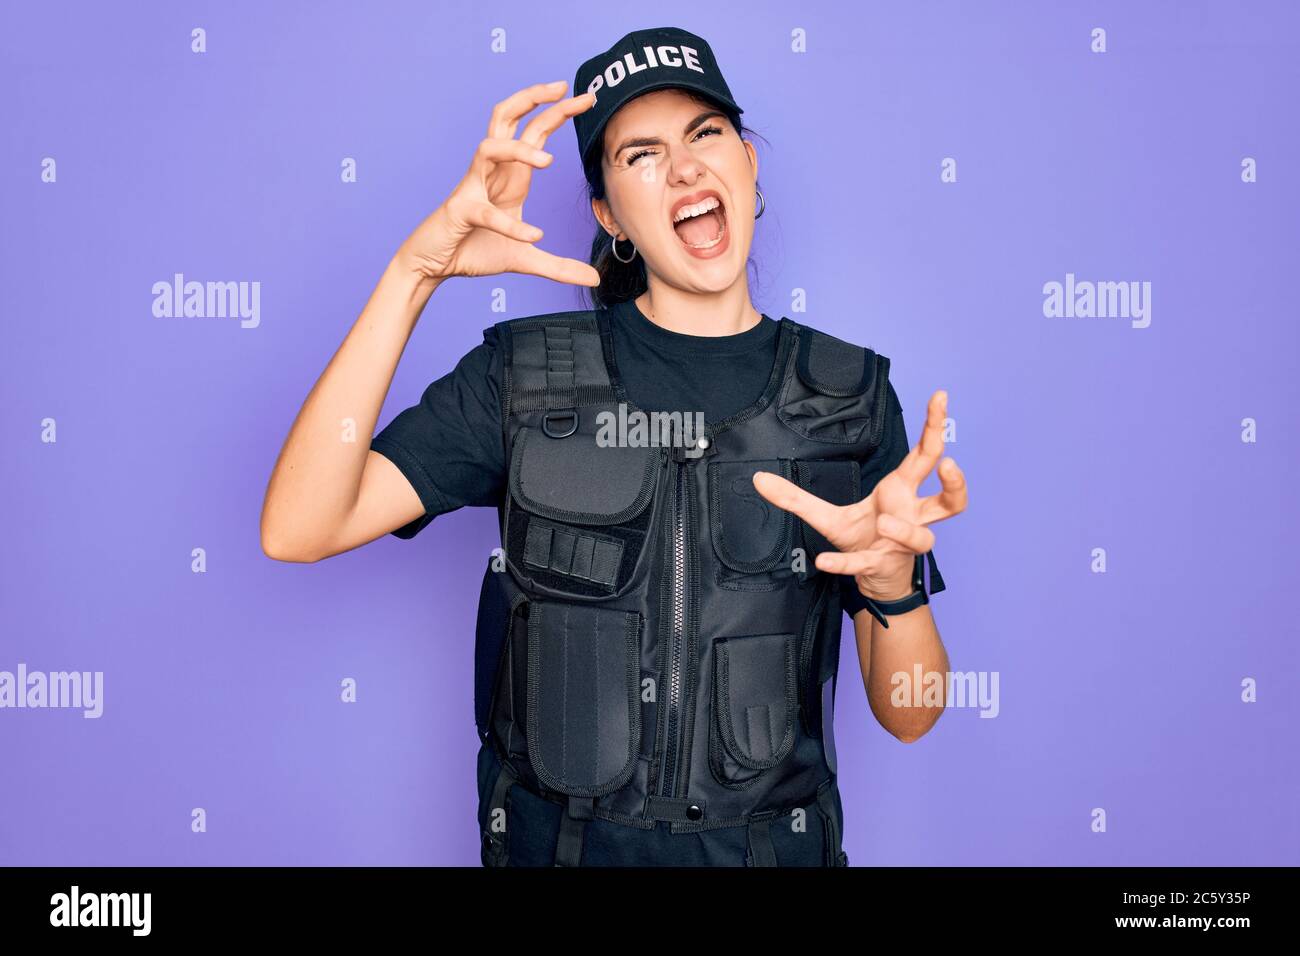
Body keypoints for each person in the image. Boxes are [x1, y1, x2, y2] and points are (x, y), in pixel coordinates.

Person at [260, 26, 968, 867]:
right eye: (641, 154)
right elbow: (298, 526)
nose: (685, 168)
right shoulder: (521, 378)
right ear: (607, 213)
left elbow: (912, 713)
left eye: (706, 134)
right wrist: (418, 270)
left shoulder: (846, 397)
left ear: (747, 165)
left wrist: (892, 588)